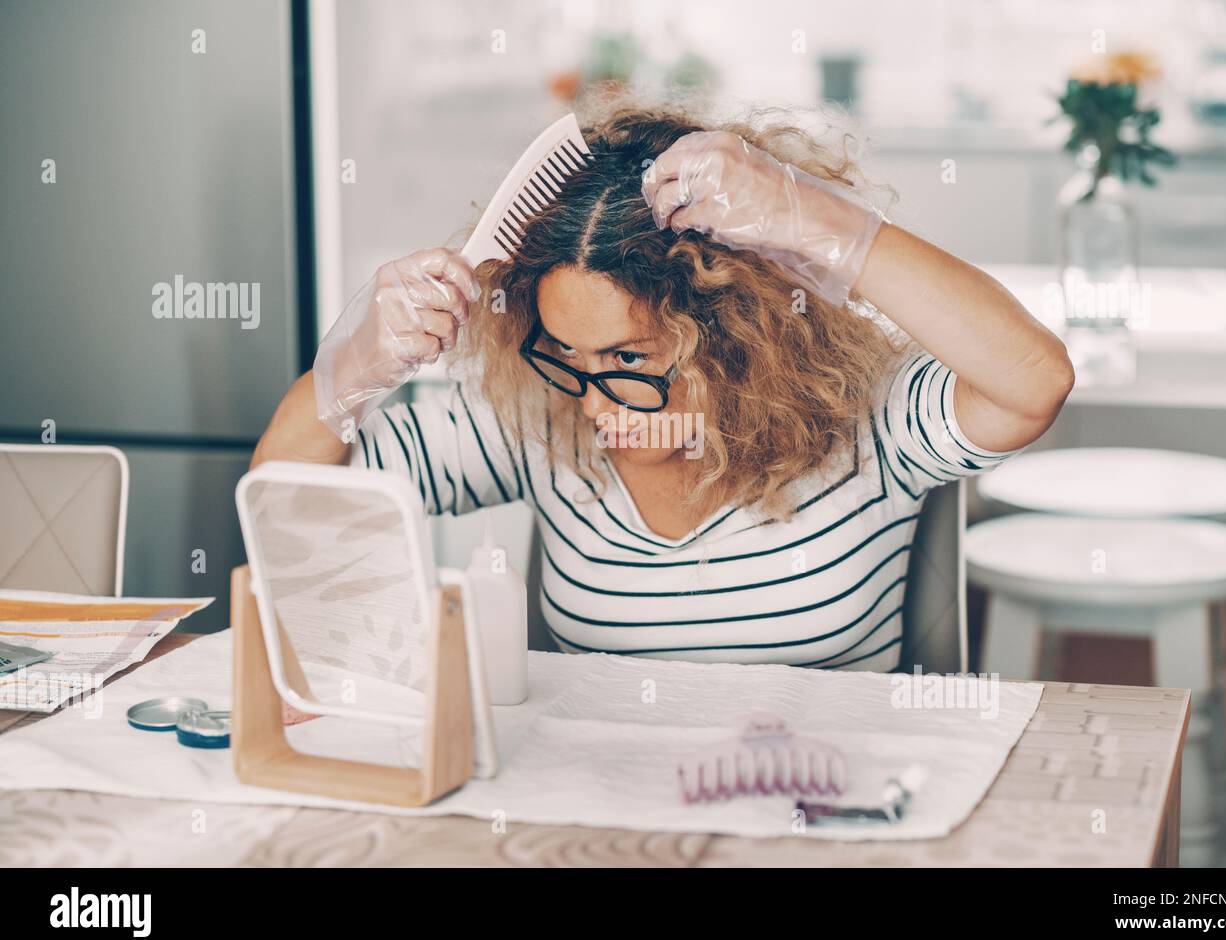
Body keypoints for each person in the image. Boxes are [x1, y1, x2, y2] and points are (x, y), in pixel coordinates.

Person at [252, 100, 1074, 671]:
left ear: (739, 333)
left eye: (631, 362)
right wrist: (354, 365)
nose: (597, 404)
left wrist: (817, 222)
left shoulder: (863, 421)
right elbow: (287, 499)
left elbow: (1033, 381)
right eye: (568, 356)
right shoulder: (540, 419)